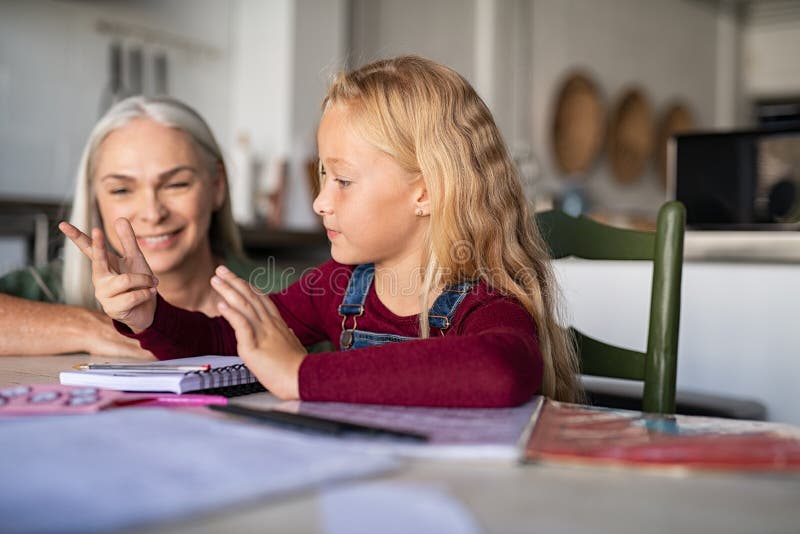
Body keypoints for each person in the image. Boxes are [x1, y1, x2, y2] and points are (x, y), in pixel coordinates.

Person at [65, 56, 581, 407]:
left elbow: (499, 371)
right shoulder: (336, 287)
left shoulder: (481, 299)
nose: (319, 201)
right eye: (321, 176)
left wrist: (298, 375)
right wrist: (149, 315)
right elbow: (230, 341)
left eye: (344, 181)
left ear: (424, 191)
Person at [1, 95, 266, 357]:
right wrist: (90, 328)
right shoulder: (48, 288)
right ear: (94, 200)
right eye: (121, 190)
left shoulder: (281, 293)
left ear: (217, 186)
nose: (152, 213)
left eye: (177, 184)